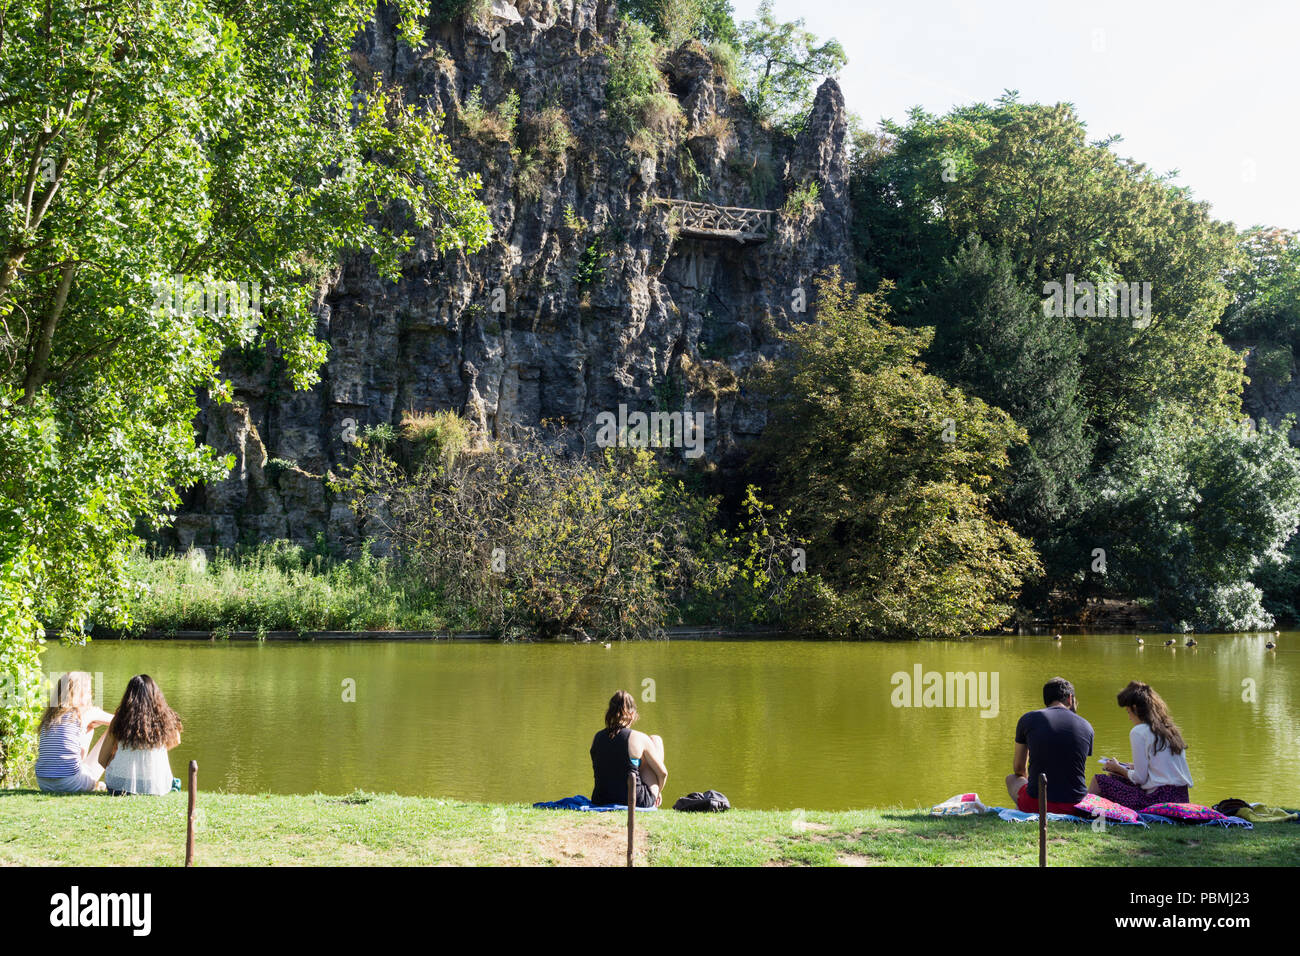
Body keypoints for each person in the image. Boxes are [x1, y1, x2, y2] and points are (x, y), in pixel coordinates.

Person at [1088, 681, 1192, 809]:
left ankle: (1082, 816)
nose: (1129, 717)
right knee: (1117, 778)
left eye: (1128, 712)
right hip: (1181, 797)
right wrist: (1126, 767)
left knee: (1099, 781)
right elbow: (1160, 767)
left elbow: (1140, 778)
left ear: (1135, 708)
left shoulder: (1139, 731)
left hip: (1158, 799)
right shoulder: (1170, 730)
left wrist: (1118, 768)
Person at [1005, 676, 1094, 814]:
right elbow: (1073, 767)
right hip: (1076, 806)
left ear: (1046, 699)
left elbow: (1019, 769)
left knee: (1011, 779)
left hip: (1037, 804)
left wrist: (1032, 785)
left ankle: (1023, 808)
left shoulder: (1028, 719)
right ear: (1070, 699)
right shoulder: (1087, 726)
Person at [98, 675, 183, 795]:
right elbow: (176, 741)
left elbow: (102, 760)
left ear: (128, 696)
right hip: (156, 786)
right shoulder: (165, 719)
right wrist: (152, 748)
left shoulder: (119, 720)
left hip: (117, 786)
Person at [34, 672, 115, 793]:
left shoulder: (49, 718)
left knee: (89, 729)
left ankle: (86, 778)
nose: (91, 696)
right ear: (79, 693)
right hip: (69, 783)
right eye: (88, 692)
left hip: (44, 783)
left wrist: (90, 725)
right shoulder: (87, 713)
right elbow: (121, 721)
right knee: (115, 728)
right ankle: (106, 781)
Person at [590, 690, 666, 808]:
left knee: (631, 761)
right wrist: (658, 792)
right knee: (656, 740)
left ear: (609, 712)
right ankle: (654, 801)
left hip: (600, 799)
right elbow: (663, 773)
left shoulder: (596, 737)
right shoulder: (639, 737)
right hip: (635, 800)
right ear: (632, 714)